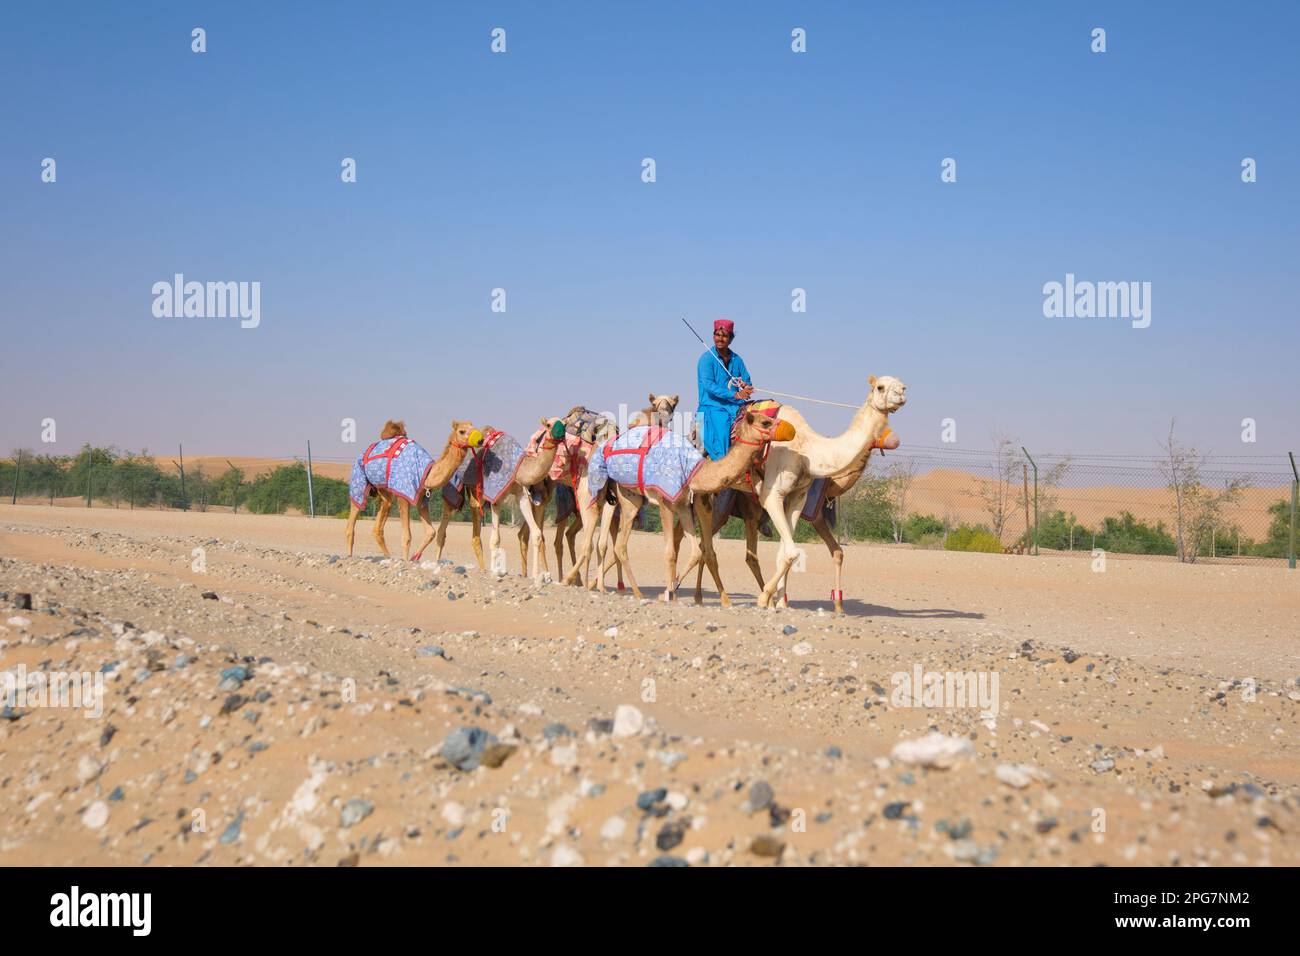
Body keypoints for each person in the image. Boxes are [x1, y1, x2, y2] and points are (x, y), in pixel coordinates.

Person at [696, 318, 753, 460]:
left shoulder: (737, 359)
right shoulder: (706, 359)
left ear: (730, 339)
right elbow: (709, 386)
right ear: (713, 336)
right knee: (721, 434)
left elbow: (746, 379)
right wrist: (735, 395)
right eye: (717, 335)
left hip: (736, 406)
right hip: (713, 407)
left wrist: (746, 386)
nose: (720, 339)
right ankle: (722, 463)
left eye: (724, 336)